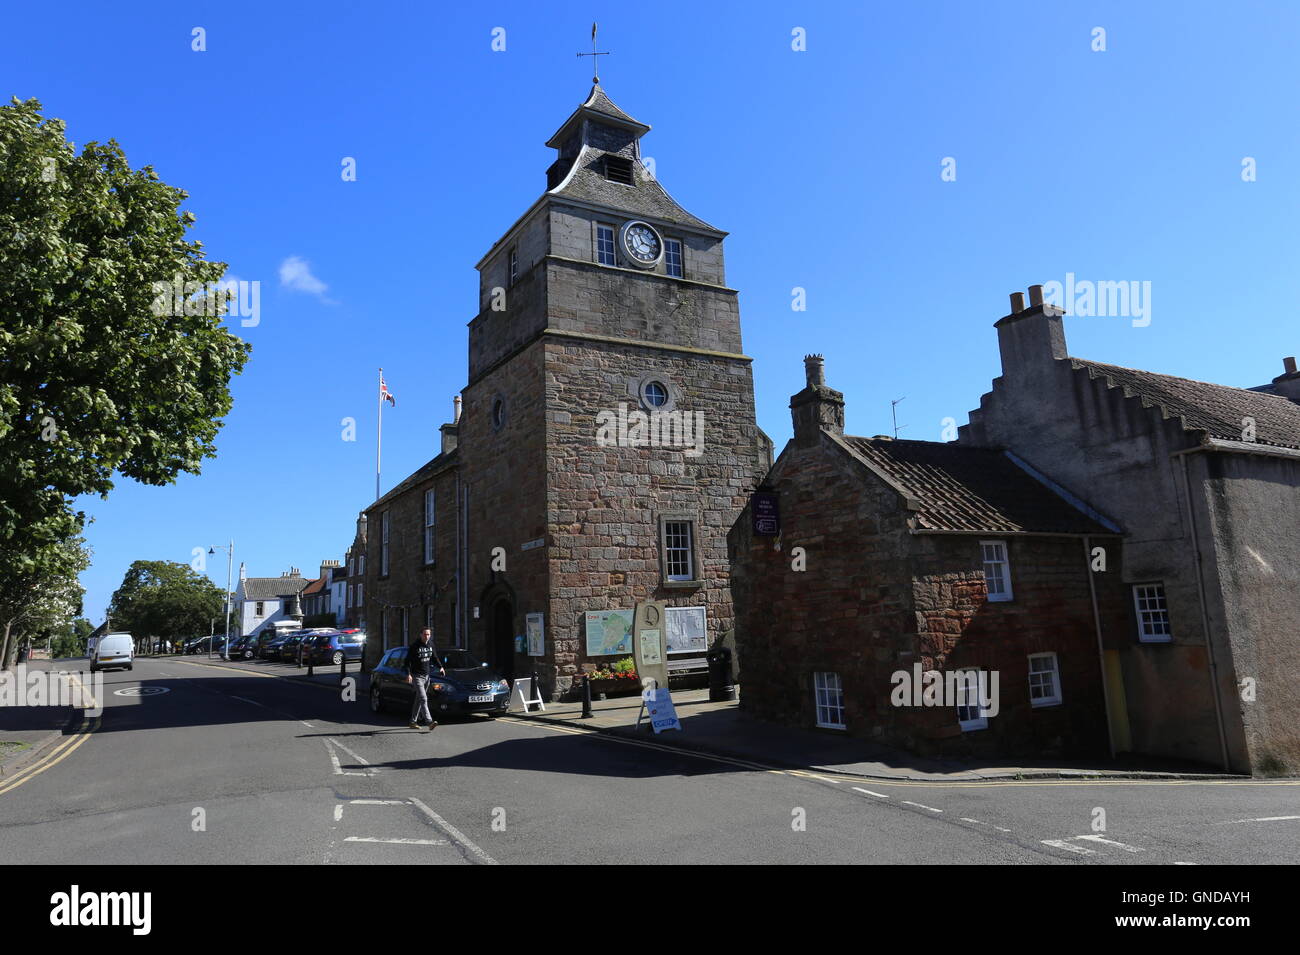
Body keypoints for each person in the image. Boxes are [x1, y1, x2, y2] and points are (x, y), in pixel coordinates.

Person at [405, 628, 446, 730]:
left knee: (419, 699)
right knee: (423, 698)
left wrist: (440, 667)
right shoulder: (414, 646)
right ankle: (429, 722)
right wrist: (408, 674)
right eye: (425, 634)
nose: (427, 636)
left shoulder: (431, 645)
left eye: (428, 634)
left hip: (427, 676)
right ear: (420, 635)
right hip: (416, 676)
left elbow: (434, 657)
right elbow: (407, 662)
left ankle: (413, 722)